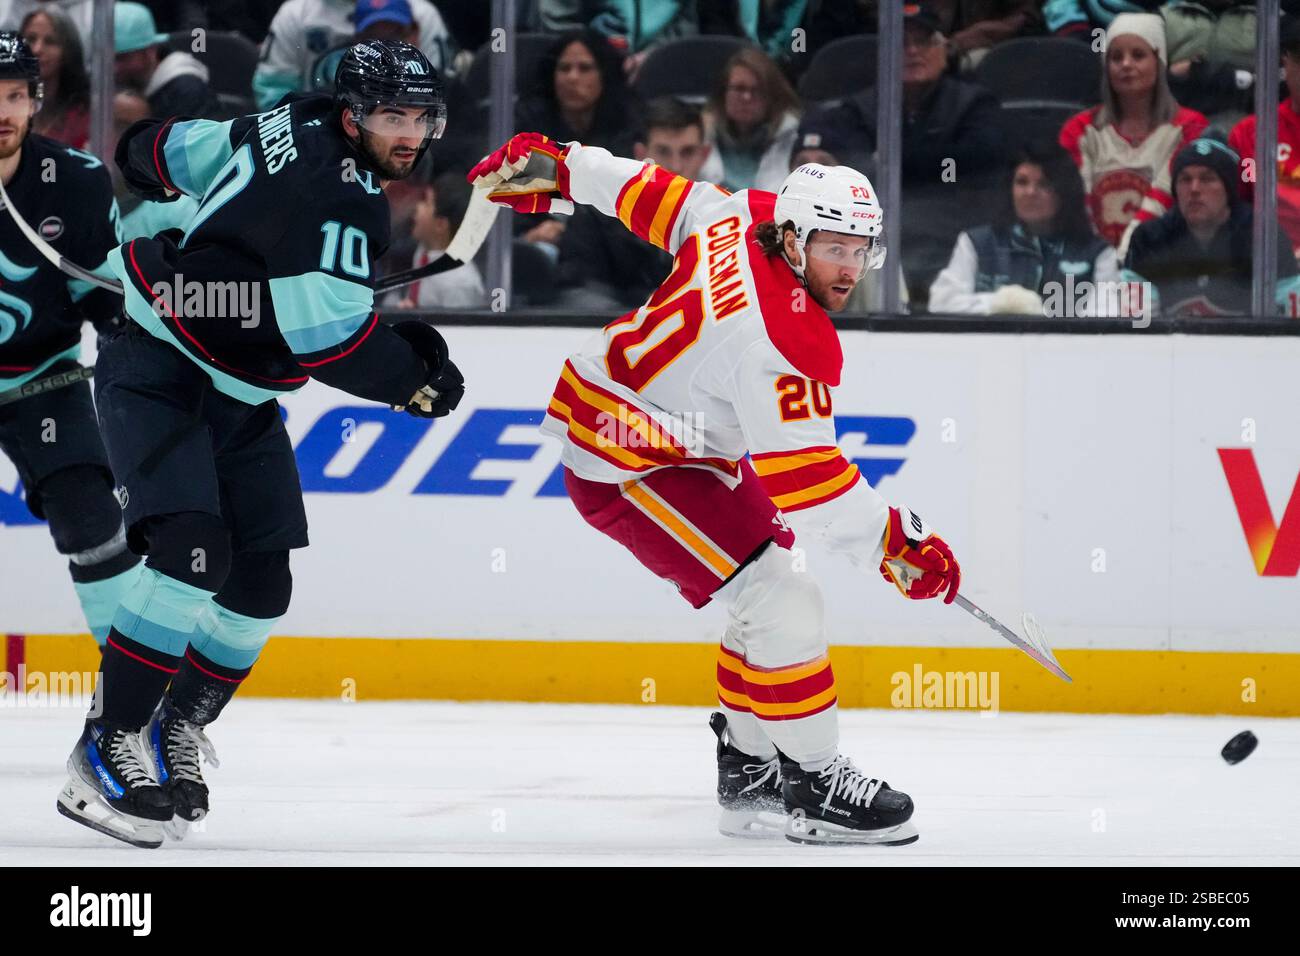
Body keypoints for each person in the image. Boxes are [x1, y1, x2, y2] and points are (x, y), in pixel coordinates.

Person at [470, 136, 961, 846]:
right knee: (781, 590)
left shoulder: (742, 216)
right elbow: (811, 482)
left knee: (767, 581)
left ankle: (750, 766)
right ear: (792, 237)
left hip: (666, 435)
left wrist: (569, 165)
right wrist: (900, 544)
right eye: (834, 248)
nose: (849, 268)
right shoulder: (782, 340)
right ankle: (813, 780)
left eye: (861, 249)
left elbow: (658, 196)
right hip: (628, 462)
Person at [56, 40, 468, 850]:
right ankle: (104, 749)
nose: (410, 133)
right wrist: (414, 381)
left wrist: (143, 166)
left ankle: (175, 727)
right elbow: (331, 345)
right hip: (161, 370)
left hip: (237, 391)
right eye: (393, 116)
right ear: (353, 115)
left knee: (260, 584)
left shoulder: (287, 120)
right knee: (189, 552)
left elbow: (161, 151)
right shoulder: (340, 199)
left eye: (421, 116)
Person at [0, 34, 141, 650]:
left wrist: (141, 351)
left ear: (35, 101)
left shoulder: (77, 182)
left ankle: (134, 700)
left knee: (95, 521)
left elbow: (107, 303)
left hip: (42, 377)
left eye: (13, 96)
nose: (1, 113)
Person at [799, 3, 1007, 301]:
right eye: (902, 43)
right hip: (877, 244)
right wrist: (935, 158)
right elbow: (853, 167)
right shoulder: (859, 108)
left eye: (923, 41)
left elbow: (981, 158)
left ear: (944, 50)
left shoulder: (974, 103)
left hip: (953, 242)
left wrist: (893, 158)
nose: (912, 51)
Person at [1059, 13, 1208, 258]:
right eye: (1116, 57)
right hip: (1093, 265)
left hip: (1164, 263)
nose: (1126, 64)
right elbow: (1077, 203)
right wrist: (1100, 260)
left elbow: (1164, 197)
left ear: (1159, 62)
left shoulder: (1190, 128)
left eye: (1138, 55)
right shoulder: (1079, 129)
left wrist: (1125, 256)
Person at [930, 142, 1120, 315]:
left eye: (1044, 184)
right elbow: (942, 303)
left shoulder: (1097, 252)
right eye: (1022, 182)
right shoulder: (976, 243)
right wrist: (999, 303)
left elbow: (1107, 314)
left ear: (1064, 192)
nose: (1030, 192)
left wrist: (1041, 313)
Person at [557, 97, 709, 309]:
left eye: (688, 152)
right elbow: (579, 294)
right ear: (641, 154)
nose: (676, 166)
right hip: (615, 331)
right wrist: (647, 311)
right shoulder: (595, 214)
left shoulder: (724, 218)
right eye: (663, 151)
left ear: (704, 155)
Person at [1124, 137, 1300, 317]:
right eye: (1185, 179)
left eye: (1207, 179)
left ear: (1229, 189)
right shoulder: (1149, 238)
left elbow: (1289, 317)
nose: (1194, 188)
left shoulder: (1264, 238)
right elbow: (1136, 322)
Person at [253, 0, 455, 111]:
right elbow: (273, 96)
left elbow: (439, 95)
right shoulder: (294, 15)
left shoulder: (422, 14)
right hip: (313, 143)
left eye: (395, 34)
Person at [1228, 14, 1300, 262]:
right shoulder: (1251, 134)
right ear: (1285, 62)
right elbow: (1238, 212)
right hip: (1271, 270)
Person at [697, 47, 801, 193]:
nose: (746, 97)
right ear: (724, 93)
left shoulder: (794, 140)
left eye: (756, 90)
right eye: (739, 88)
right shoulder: (699, 136)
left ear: (772, 96)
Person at [393, 170, 488, 309]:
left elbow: (459, 329)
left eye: (426, 204)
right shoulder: (425, 250)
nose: (417, 208)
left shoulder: (459, 283)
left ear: (440, 225)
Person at [113, 1, 217, 119]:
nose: (114, 68)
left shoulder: (187, 93)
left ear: (151, 51)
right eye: (108, 60)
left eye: (122, 58)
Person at [19, 5, 88, 149]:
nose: (37, 49)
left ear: (68, 51)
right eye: (31, 39)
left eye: (50, 42)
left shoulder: (84, 117)